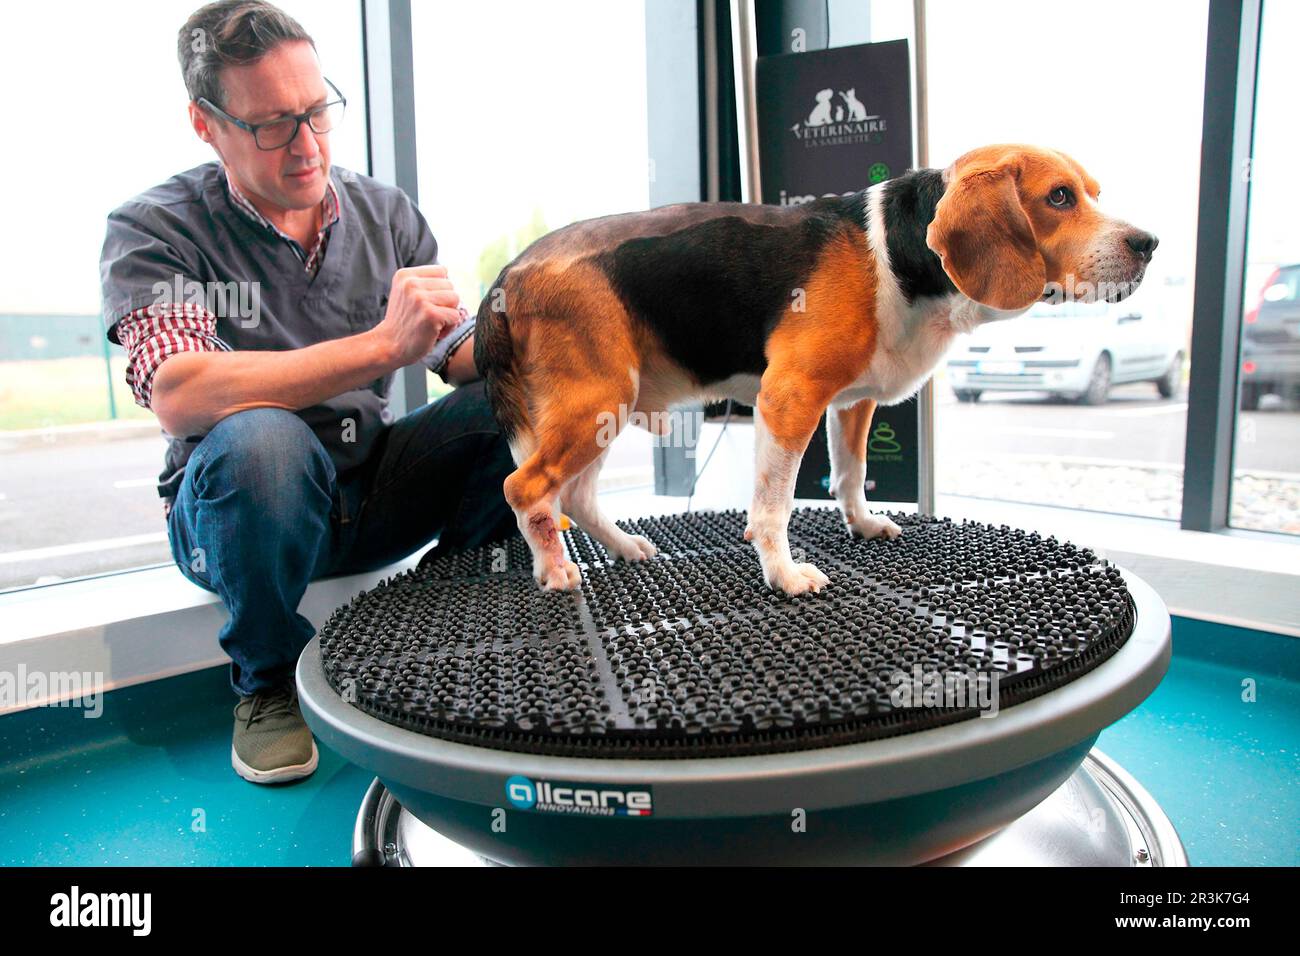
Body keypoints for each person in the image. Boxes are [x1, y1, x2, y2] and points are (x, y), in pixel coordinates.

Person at [99, 0, 517, 785]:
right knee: (263, 440)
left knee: (520, 399)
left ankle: (440, 620)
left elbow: (455, 348)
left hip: (371, 490)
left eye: (317, 112)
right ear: (205, 123)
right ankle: (265, 685)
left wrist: (551, 341)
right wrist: (379, 348)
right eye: (272, 124)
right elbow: (182, 391)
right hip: (240, 515)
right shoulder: (154, 229)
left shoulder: (384, 213)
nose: (306, 146)